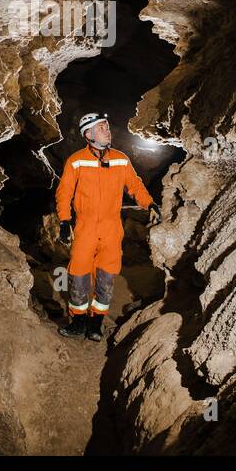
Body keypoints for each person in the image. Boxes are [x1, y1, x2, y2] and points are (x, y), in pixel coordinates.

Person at [54, 112, 157, 341]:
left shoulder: (121, 159)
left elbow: (135, 185)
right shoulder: (76, 160)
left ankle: (96, 323)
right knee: (79, 274)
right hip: (86, 228)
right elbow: (64, 193)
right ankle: (78, 322)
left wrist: (149, 203)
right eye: (102, 127)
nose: (107, 130)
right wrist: (64, 219)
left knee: (107, 277)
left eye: (107, 126)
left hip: (112, 228)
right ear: (88, 134)